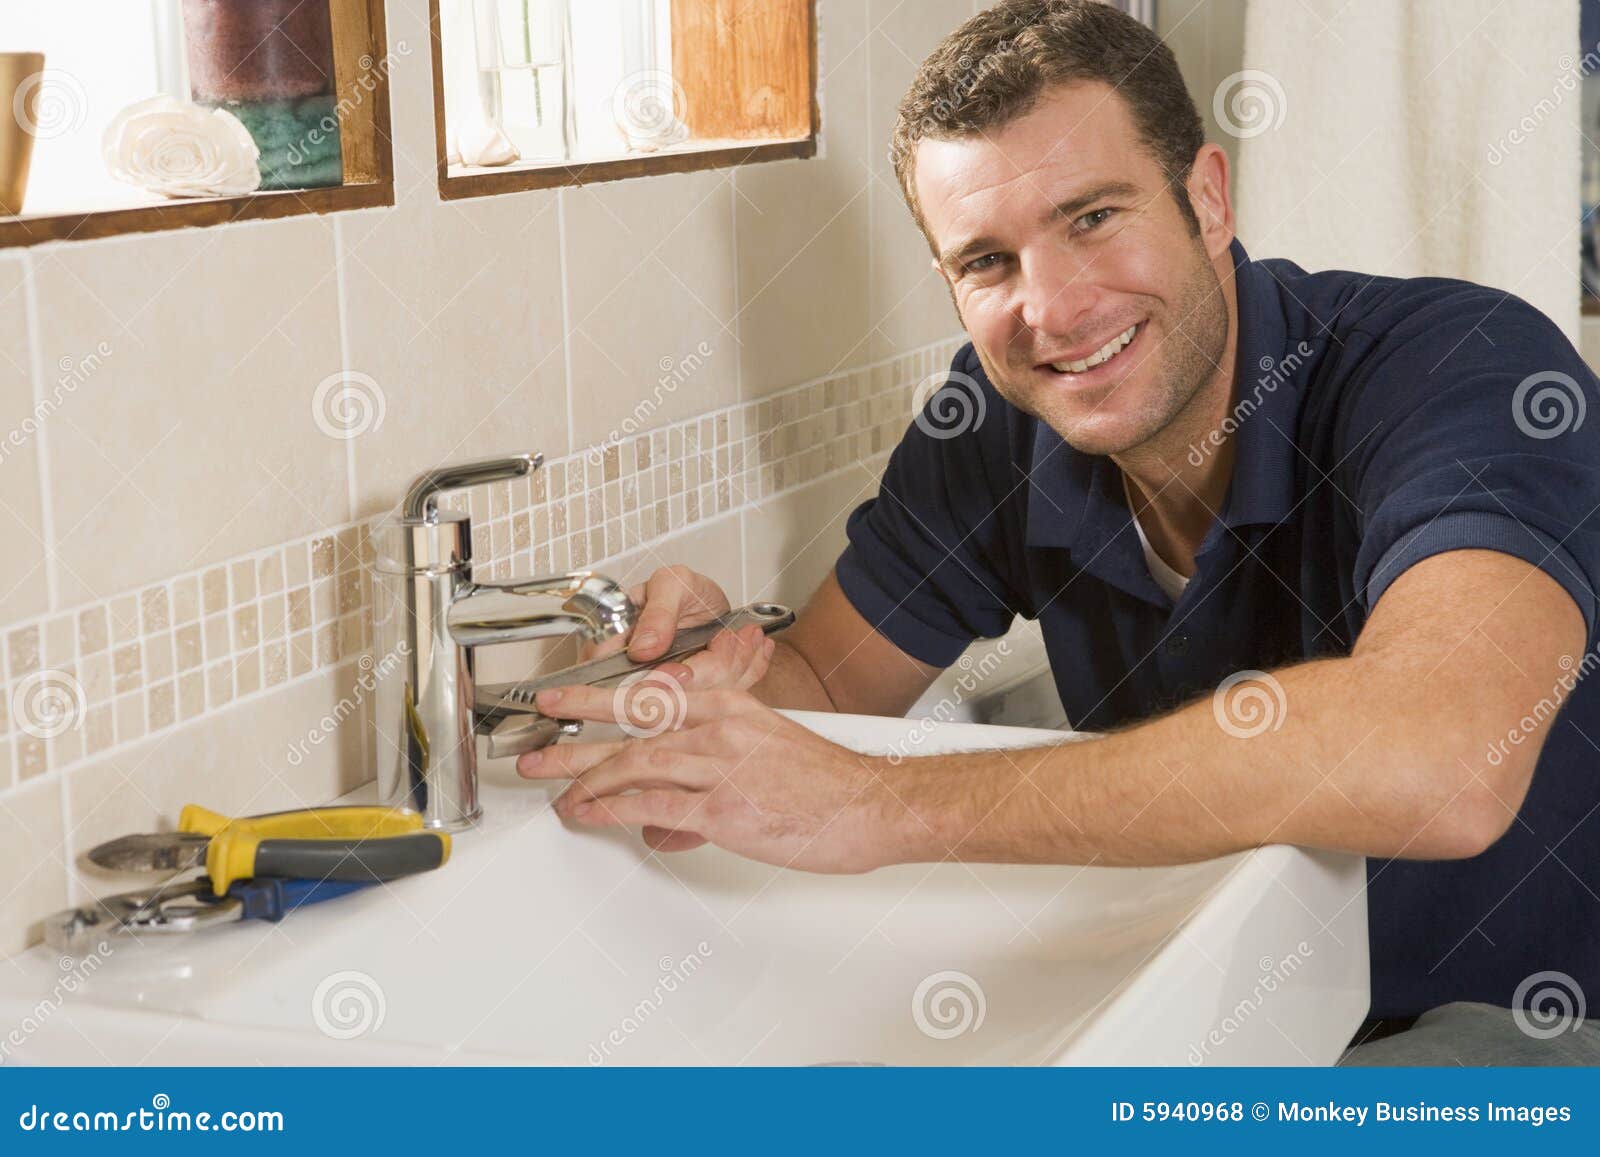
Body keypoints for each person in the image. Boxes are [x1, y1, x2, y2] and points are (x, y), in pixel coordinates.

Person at [518, 0, 1600, 1064]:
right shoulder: (994, 422)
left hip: (1514, 1024)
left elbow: (1440, 759)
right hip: (1241, 1001)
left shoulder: (1459, 368)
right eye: (987, 260)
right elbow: (830, 685)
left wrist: (883, 804)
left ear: (1208, 200)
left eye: (1092, 217)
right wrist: (702, 677)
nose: (1055, 308)